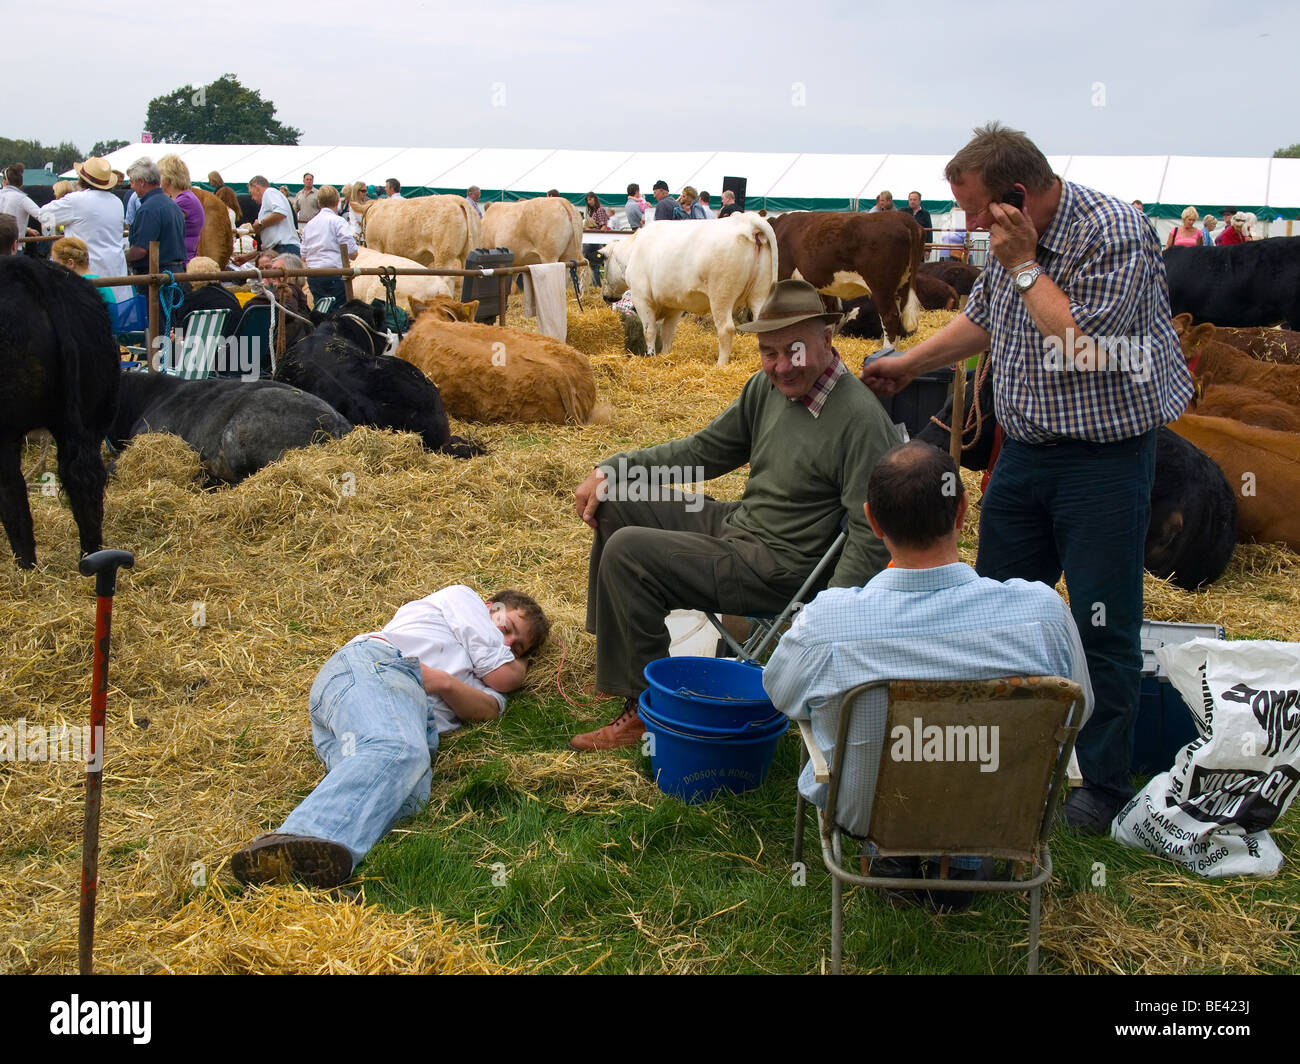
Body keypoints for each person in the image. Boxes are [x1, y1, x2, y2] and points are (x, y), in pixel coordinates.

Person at [861, 121, 1193, 836]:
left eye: (977, 211)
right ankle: (1000, 763)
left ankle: (1103, 785)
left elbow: (1086, 347)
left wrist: (1022, 264)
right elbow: (984, 320)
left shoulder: (1114, 232)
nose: (971, 227)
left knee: (1102, 623)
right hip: (1026, 454)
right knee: (994, 609)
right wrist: (908, 364)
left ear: (1016, 193)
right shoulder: (1012, 247)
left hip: (1105, 459)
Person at [570, 279, 898, 751]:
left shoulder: (861, 420)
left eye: (794, 350)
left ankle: (647, 709)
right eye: (769, 352)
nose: (781, 365)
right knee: (618, 499)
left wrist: (827, 620)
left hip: (779, 567)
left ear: (827, 339)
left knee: (629, 552)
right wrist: (615, 468)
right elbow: (703, 452)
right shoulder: (766, 389)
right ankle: (623, 663)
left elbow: (871, 533)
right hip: (739, 524)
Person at [765, 442, 1093, 907]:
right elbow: (1081, 711)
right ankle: (965, 854)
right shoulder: (1043, 614)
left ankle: (892, 851)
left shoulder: (827, 624)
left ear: (872, 520)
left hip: (866, 813)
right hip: (999, 807)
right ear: (963, 510)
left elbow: (780, 694)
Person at [231, 586, 549, 888]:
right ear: (489, 607)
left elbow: (489, 709)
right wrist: (517, 665)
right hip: (376, 668)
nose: (506, 644)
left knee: (408, 799)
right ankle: (291, 840)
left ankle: (301, 879)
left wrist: (445, 683)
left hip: (382, 718)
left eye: (516, 649)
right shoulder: (463, 600)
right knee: (398, 750)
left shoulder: (481, 677)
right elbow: (503, 676)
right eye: (507, 628)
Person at [38, 156, 130, 302]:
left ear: (82, 179)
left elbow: (43, 215)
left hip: (88, 276)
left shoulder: (76, 200)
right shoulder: (117, 202)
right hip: (116, 273)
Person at [125, 157, 187, 281]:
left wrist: (122, 258)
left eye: (132, 182)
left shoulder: (148, 209)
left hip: (156, 278)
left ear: (142, 182)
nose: (131, 187)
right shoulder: (172, 205)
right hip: (176, 274)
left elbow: (140, 250)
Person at [301, 184, 358, 306]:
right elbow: (353, 253)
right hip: (334, 275)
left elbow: (304, 256)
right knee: (339, 310)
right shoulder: (338, 221)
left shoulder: (309, 224)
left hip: (313, 276)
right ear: (337, 201)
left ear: (319, 202)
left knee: (321, 309)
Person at [157, 154, 204, 262]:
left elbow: (164, 229)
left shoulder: (184, 201)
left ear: (167, 178)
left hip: (180, 261)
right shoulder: (185, 197)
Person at [247, 175, 300, 257]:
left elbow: (281, 212)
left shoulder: (269, 192)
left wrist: (260, 224)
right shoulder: (270, 196)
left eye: (251, 193)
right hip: (281, 248)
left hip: (284, 248)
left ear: (256, 187)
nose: (252, 198)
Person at [0, 163, 42, 242]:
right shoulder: (22, 199)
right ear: (21, 184)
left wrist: (27, 230)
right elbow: (43, 216)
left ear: (4, 181)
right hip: (14, 245)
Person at [582, 191, 610, 286]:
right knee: (592, 264)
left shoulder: (600, 210)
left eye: (590, 199)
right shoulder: (593, 211)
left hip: (596, 240)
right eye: (587, 200)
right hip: (592, 240)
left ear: (594, 199)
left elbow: (603, 226)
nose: (589, 202)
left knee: (595, 264)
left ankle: (597, 286)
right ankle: (595, 285)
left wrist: (598, 237)